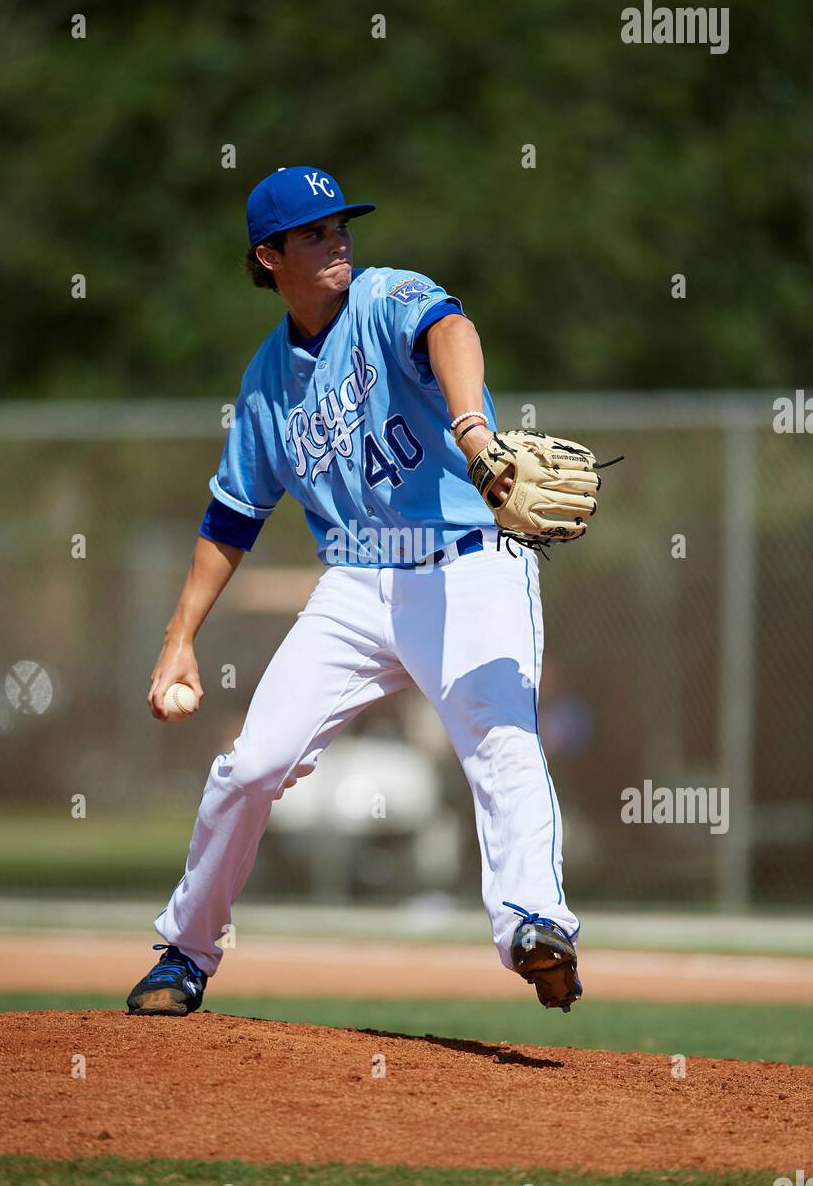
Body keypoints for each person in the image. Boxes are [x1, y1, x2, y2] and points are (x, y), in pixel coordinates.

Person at [126, 165, 582, 1017]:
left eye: (340, 226)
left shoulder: (384, 296)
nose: (337, 242)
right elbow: (232, 519)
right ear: (269, 257)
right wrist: (177, 637)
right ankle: (185, 953)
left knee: (501, 740)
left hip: (470, 559)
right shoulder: (266, 384)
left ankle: (535, 926)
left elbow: (450, 328)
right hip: (359, 583)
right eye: (314, 234)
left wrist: (474, 430)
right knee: (251, 766)